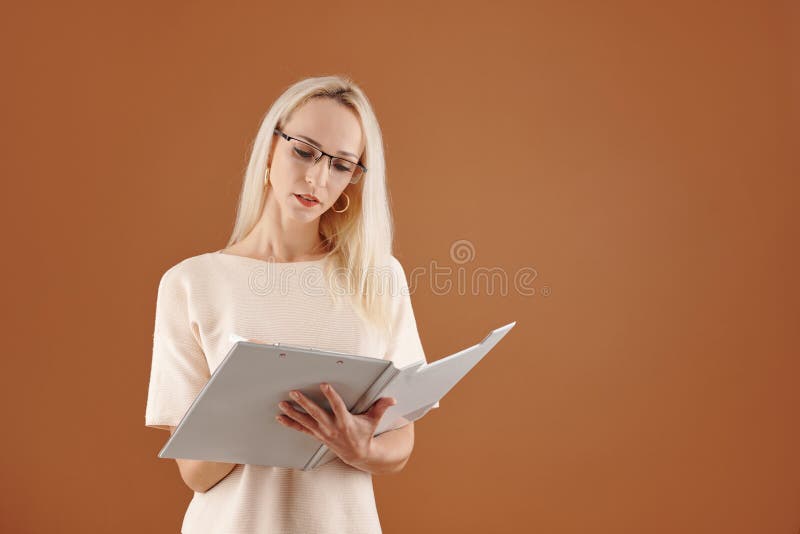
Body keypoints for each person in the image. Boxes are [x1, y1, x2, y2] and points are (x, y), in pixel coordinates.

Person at [144, 74, 438, 534]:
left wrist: (361, 448)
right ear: (269, 149)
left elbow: (400, 440)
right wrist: (249, 389)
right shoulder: (191, 283)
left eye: (342, 165)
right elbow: (195, 474)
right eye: (304, 151)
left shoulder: (379, 277)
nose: (317, 178)